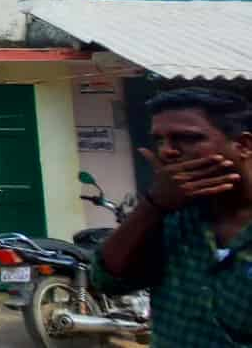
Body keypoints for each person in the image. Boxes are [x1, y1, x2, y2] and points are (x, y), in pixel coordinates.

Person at [93, 87, 252, 346]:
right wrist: (153, 206)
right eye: (159, 140)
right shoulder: (171, 215)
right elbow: (106, 280)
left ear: (243, 145)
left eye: (187, 138)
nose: (167, 151)